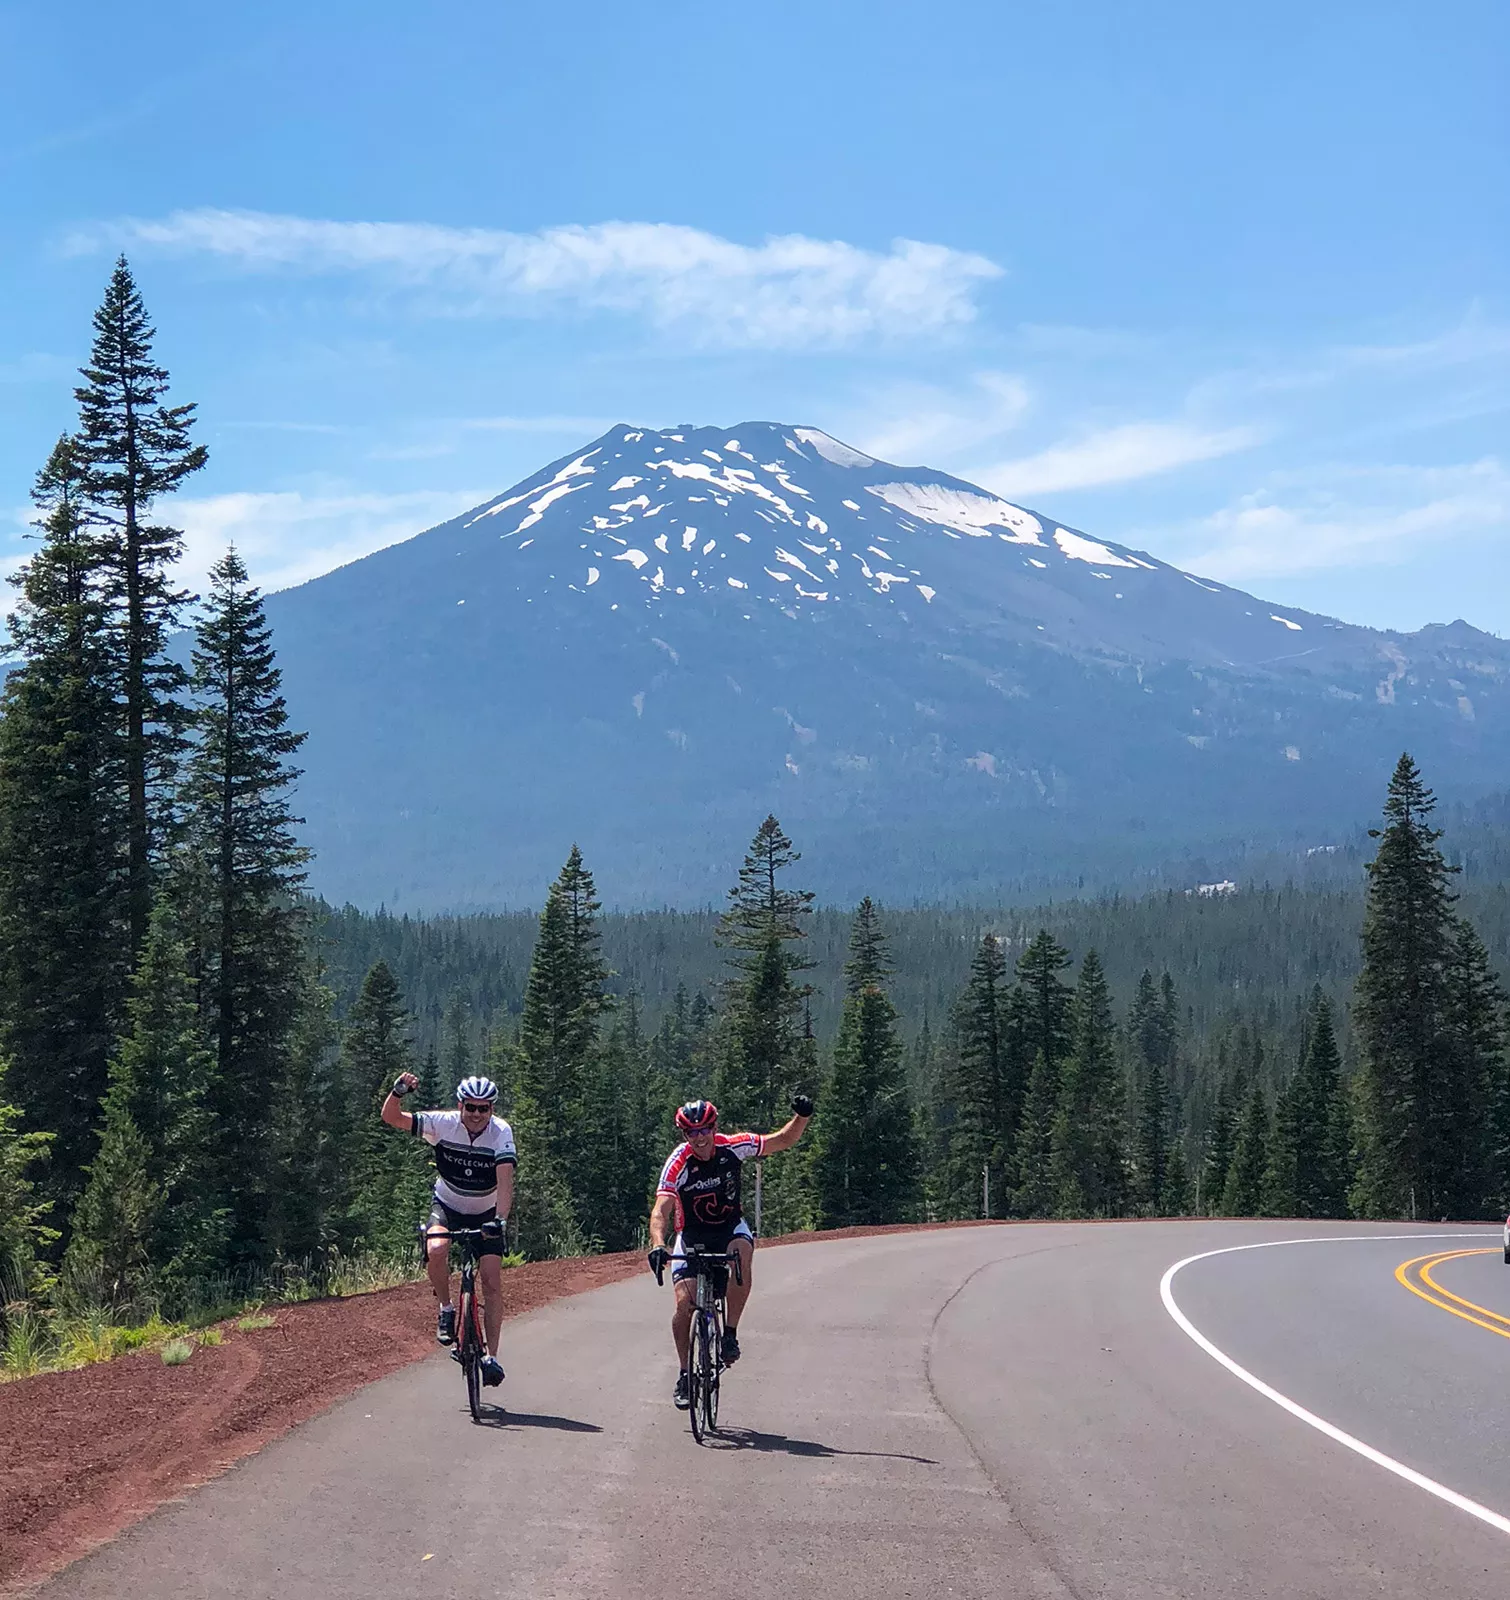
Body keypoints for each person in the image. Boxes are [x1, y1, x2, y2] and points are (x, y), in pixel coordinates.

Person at [647, 1093, 812, 1409]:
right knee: (684, 1306)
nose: (699, 1137)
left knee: (741, 1254)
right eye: (691, 1132)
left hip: (728, 1227)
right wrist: (658, 1244)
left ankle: (730, 1334)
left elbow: (780, 1141)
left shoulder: (733, 1146)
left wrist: (801, 1117)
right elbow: (661, 1210)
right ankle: (685, 1374)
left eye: (705, 1129)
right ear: (684, 1135)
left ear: (714, 1128)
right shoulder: (678, 1161)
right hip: (692, 1233)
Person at [381, 1070, 516, 1388]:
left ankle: (491, 1357)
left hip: (486, 1210)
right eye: (471, 1107)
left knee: (491, 1279)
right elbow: (391, 1117)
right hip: (448, 1206)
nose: (477, 1114)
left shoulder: (500, 1132)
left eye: (484, 1108)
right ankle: (446, 1308)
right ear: (460, 1105)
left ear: (492, 1110)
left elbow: (506, 1181)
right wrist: (398, 1091)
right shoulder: (442, 1124)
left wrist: (500, 1220)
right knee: (436, 1248)